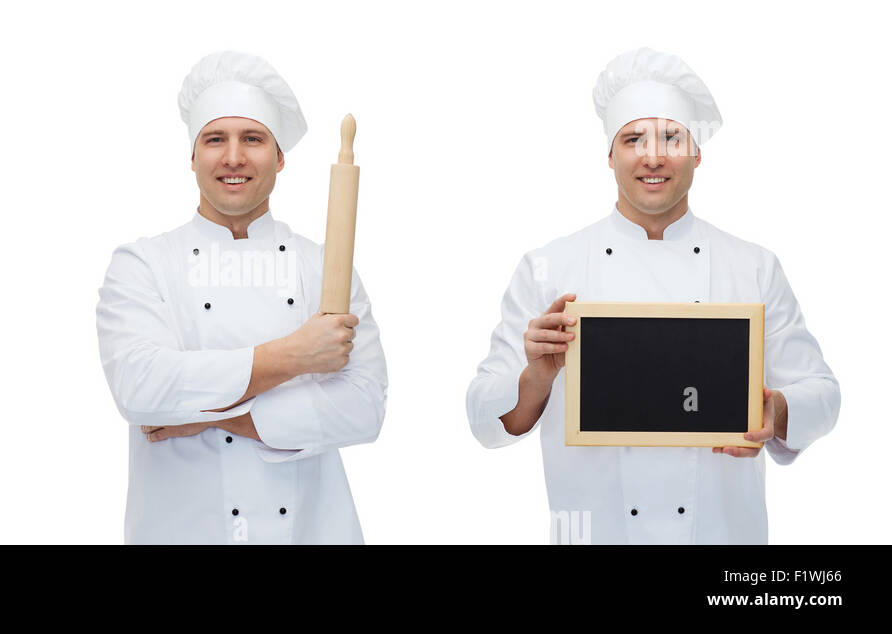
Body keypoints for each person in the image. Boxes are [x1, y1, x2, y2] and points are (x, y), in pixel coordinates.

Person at [466, 48, 839, 544]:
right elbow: (484, 419)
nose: (653, 155)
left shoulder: (752, 266)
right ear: (610, 155)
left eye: (672, 137)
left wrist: (777, 412)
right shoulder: (549, 268)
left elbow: (825, 394)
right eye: (633, 138)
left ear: (697, 152)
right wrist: (536, 375)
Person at [96, 51, 388, 544]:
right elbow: (141, 389)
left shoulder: (324, 268)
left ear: (278, 157)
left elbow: (365, 408)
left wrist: (219, 416)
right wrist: (295, 356)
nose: (233, 157)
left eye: (252, 138)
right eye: (215, 139)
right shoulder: (143, 265)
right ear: (192, 157)